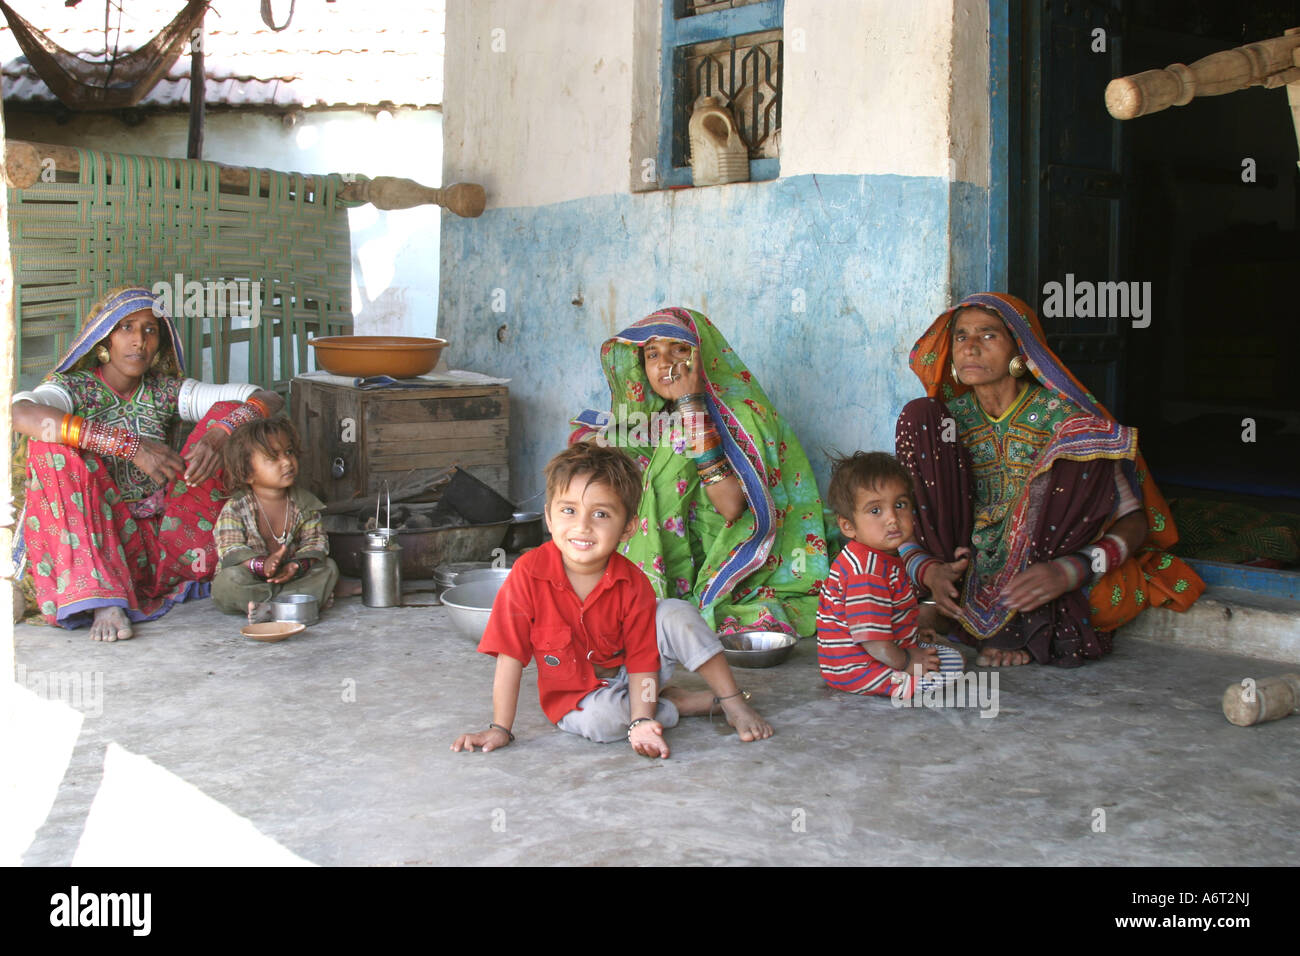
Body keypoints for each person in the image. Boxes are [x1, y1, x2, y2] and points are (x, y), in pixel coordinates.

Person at [894, 292, 1203, 667]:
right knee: (919, 415)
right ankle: (936, 601)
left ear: (1020, 350)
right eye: (961, 336)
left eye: (988, 335)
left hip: (1040, 566)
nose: (970, 347)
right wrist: (929, 570)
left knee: (1102, 598)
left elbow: (1133, 521)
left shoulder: (1064, 418)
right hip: (963, 565)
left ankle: (1024, 619)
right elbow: (906, 513)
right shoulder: (948, 420)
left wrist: (1070, 570)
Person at [451, 442, 772, 757]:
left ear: (628, 528)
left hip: (636, 673)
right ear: (548, 517)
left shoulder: (632, 582)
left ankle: (731, 702)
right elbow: (510, 657)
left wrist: (643, 720)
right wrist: (500, 728)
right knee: (602, 722)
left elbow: (643, 661)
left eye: (601, 513)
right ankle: (675, 705)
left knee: (676, 612)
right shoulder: (527, 575)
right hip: (578, 695)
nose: (582, 526)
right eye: (568, 510)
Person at [11, 286, 284, 641]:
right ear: (103, 338)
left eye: (150, 329)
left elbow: (267, 397)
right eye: (126, 327)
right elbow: (21, 412)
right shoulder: (73, 389)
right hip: (96, 545)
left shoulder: (164, 391)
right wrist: (130, 446)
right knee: (52, 450)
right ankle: (103, 600)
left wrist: (220, 433)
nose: (139, 340)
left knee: (231, 416)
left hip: (161, 547)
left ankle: (247, 565)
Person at [570, 306, 828, 639]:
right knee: (604, 444)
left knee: (675, 439)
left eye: (679, 350)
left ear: (702, 357)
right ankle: (605, 571)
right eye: (652, 354)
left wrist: (691, 406)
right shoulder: (663, 415)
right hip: (693, 525)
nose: (665, 363)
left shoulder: (743, 414)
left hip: (741, 542)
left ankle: (654, 587)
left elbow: (732, 507)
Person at [816, 451, 963, 697]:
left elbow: (885, 613)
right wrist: (907, 661)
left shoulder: (880, 556)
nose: (893, 519)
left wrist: (910, 632)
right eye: (876, 511)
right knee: (952, 664)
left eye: (900, 505)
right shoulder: (866, 572)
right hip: (859, 668)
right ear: (848, 526)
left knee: (942, 654)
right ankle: (896, 681)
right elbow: (872, 640)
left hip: (867, 655)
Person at [212, 419, 339, 623]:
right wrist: (261, 565)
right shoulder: (235, 508)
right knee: (227, 581)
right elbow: (229, 548)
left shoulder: (305, 504)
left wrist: (296, 566)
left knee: (328, 567)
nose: (287, 462)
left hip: (292, 578)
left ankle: (271, 608)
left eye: (288, 452)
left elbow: (316, 543)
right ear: (247, 473)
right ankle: (296, 605)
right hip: (250, 579)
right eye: (273, 457)